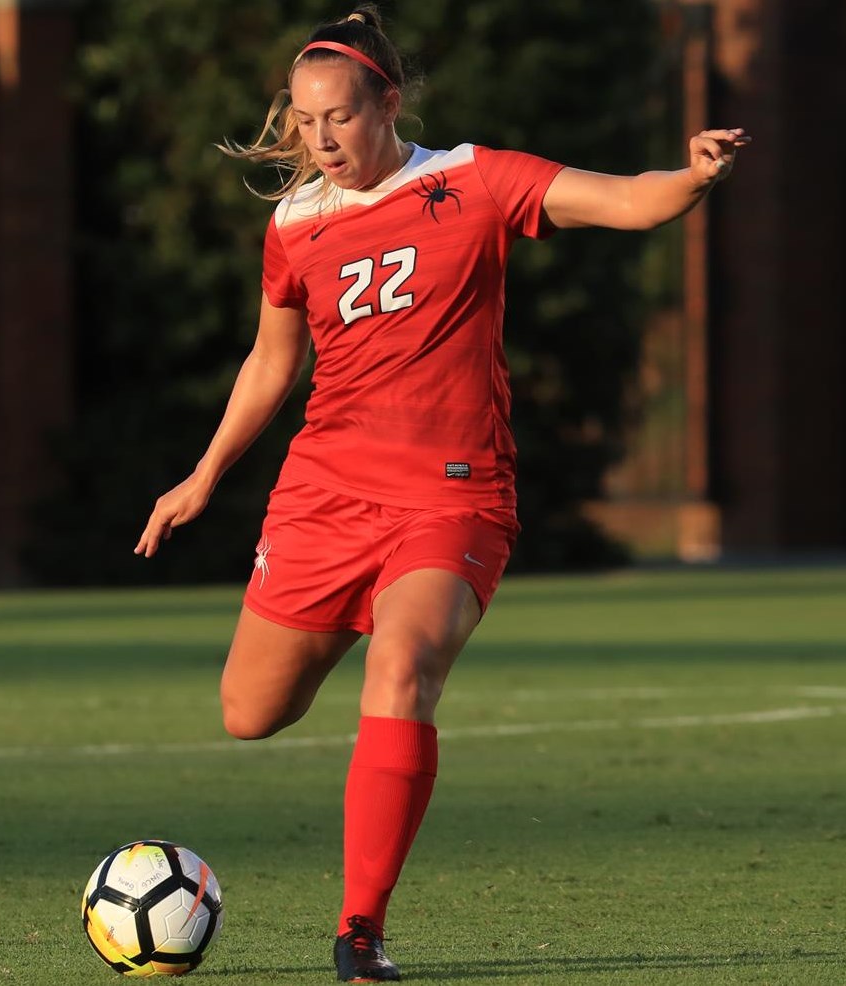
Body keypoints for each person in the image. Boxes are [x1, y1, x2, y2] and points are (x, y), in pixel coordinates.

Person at [134, 6, 749, 981]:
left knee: (402, 667)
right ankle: (364, 624)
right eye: (303, 120)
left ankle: (359, 931)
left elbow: (628, 200)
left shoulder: (474, 179)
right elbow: (271, 360)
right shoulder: (293, 225)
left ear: (388, 102)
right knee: (248, 711)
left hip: (450, 496)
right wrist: (203, 474)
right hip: (323, 495)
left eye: (338, 116)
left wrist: (693, 177)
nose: (319, 138)